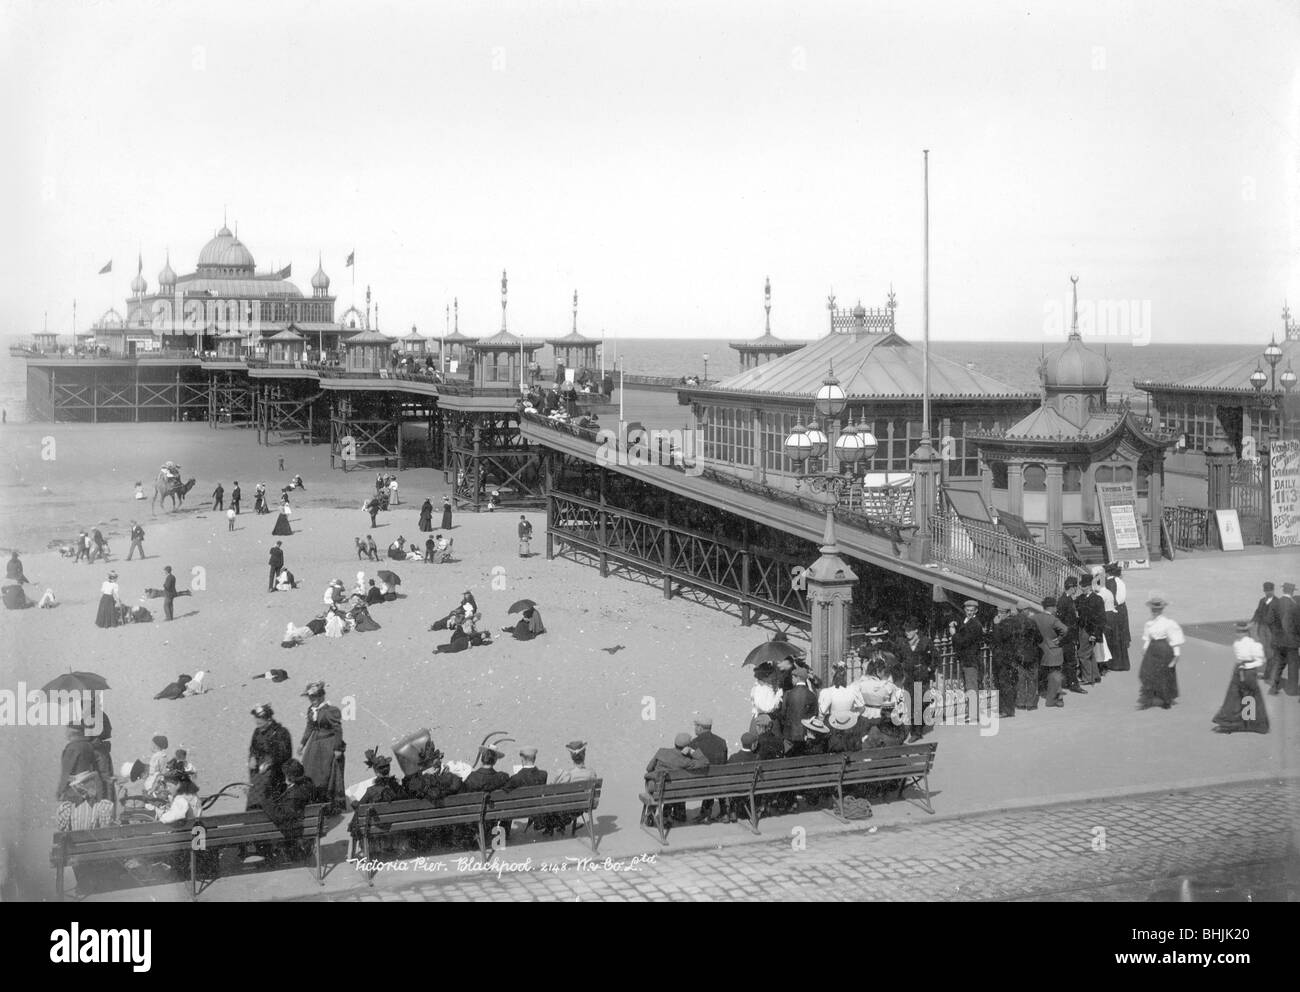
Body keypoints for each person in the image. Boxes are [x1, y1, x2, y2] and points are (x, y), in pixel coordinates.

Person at [1213, 621, 1270, 734]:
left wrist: (1248, 666)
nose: (1238, 634)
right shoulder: (1237, 643)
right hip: (1239, 670)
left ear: (1246, 632)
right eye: (1238, 631)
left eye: (1241, 632)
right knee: (1235, 696)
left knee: (1246, 696)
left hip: (1248, 672)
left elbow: (1261, 661)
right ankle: (1233, 723)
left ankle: (1247, 723)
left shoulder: (1254, 645)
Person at [642, 732, 708, 827]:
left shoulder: (661, 751)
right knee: (675, 788)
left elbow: (648, 768)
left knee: (660, 788)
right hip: (675, 790)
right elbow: (705, 762)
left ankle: (651, 816)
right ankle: (678, 814)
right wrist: (692, 752)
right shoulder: (685, 761)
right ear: (687, 747)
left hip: (656, 790)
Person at [299, 682, 346, 807]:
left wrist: (337, 748)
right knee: (310, 771)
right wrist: (302, 743)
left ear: (321, 697)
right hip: (315, 744)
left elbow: (338, 730)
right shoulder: (311, 710)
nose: (312, 700)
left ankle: (328, 800)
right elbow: (309, 727)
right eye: (311, 698)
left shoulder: (331, 711)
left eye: (315, 697)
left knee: (325, 772)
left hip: (328, 743)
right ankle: (315, 798)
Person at [1138, 593, 1184, 710]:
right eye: (1153, 609)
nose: (1154, 611)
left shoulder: (1168, 623)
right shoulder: (1148, 623)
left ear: (1161, 610)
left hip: (1164, 649)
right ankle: (1151, 696)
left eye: (1157, 609)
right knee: (1145, 672)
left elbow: (1175, 638)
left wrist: (1176, 655)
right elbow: (1148, 638)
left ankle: (1166, 699)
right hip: (1152, 649)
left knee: (1164, 674)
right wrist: (1145, 647)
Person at [247, 704, 293, 810]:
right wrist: (252, 757)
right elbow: (253, 747)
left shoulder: (281, 732)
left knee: (265, 788)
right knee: (255, 788)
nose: (257, 723)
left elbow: (285, 753)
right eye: (256, 719)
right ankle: (253, 814)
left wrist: (270, 763)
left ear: (268, 719)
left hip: (275, 770)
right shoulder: (257, 731)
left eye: (260, 720)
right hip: (259, 768)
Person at [1029, 597, 1070, 708]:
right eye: (1055, 607)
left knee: (1044, 674)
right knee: (1055, 675)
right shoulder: (1053, 619)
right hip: (1053, 650)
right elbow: (1065, 629)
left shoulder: (1035, 617)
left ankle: (1044, 694)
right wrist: (1059, 639)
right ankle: (1055, 699)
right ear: (1052, 607)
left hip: (1041, 650)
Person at [686, 716, 728, 823]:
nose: (695, 728)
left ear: (700, 728)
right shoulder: (721, 742)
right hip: (720, 783)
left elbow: (689, 765)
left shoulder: (693, 744)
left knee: (705, 777)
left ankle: (705, 813)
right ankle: (724, 812)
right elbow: (724, 762)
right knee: (715, 777)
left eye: (696, 726)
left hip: (698, 785)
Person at [989, 605, 1023, 718]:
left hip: (1004, 658)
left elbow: (998, 639)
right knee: (1005, 682)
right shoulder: (1012, 623)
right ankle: (1005, 707)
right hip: (1007, 657)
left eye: (1002, 612)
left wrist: (996, 625)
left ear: (1008, 613)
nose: (999, 614)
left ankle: (1007, 710)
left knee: (1004, 683)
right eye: (998, 611)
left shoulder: (1006, 624)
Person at [781, 670, 818, 757]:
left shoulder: (788, 694)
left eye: (793, 677)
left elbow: (783, 714)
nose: (792, 680)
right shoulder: (812, 695)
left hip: (790, 736)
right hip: (806, 735)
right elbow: (815, 714)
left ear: (798, 678)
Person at [1271, 582, 1300, 696]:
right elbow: (1298, 625)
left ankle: (1273, 687)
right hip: (1291, 642)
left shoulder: (1276, 603)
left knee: (1278, 663)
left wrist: (1276, 635)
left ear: (1283, 590)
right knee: (1293, 666)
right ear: (1292, 591)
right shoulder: (1295, 606)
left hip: (1278, 641)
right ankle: (1292, 691)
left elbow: (1270, 621)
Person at [58, 723, 99, 801]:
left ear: (73, 732)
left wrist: (60, 790)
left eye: (67, 730)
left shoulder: (72, 748)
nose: (66, 733)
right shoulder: (89, 746)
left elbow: (66, 771)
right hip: (90, 787)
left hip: (74, 789)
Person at [951, 600, 984, 692]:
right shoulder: (967, 621)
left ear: (976, 611)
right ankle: (970, 705)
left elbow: (963, 641)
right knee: (968, 686)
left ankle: (973, 706)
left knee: (971, 687)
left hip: (971, 661)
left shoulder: (975, 624)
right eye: (967, 610)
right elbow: (964, 632)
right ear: (965, 610)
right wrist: (956, 626)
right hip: (966, 660)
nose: (969, 612)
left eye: (971, 610)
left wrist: (954, 634)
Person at [1251, 582, 1280, 684]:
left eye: (1270, 590)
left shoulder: (1277, 602)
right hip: (1262, 629)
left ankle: (1269, 676)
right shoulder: (1262, 601)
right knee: (1266, 652)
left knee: (1271, 652)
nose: (1268, 592)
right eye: (1266, 591)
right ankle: (1267, 675)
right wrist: (1252, 622)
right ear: (1264, 591)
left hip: (1271, 631)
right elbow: (1257, 612)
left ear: (1273, 590)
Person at [1105, 562, 1132, 671]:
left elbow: (1112, 598)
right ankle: (1121, 662)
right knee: (1120, 635)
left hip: (1115, 609)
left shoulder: (1110, 582)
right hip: (1122, 609)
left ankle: (1114, 663)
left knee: (1115, 636)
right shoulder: (1119, 581)